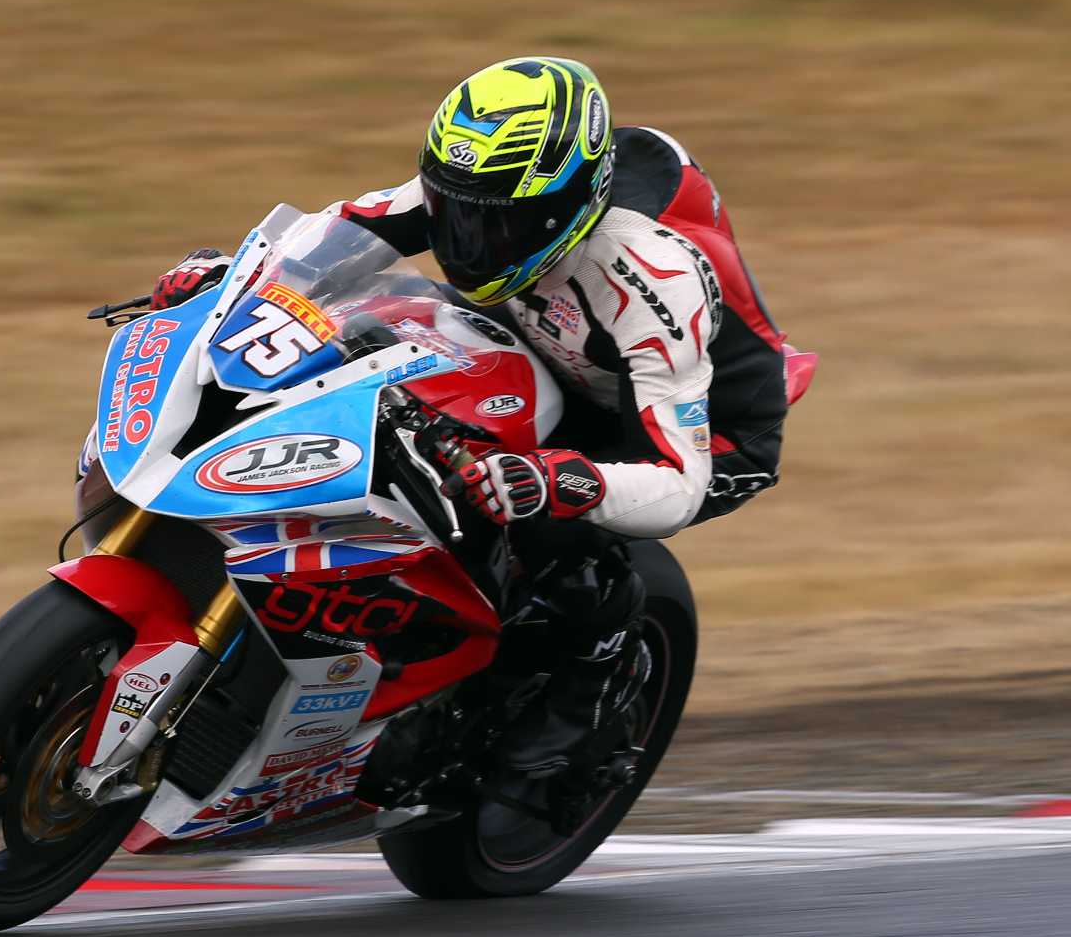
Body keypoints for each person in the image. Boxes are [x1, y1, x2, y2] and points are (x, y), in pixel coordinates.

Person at [149, 56, 793, 776]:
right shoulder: (485, 186)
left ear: (564, 210)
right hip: (546, 335)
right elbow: (338, 235)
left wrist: (558, 482)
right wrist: (231, 283)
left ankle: (585, 688)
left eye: (492, 223)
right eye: (452, 209)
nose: (462, 237)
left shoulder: (652, 283)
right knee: (376, 354)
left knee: (542, 522)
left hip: (695, 425)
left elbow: (678, 481)